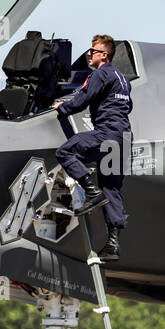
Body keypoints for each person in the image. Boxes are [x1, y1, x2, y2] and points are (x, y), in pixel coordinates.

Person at [51, 35, 132, 262]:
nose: (88, 54)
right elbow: (128, 106)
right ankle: (113, 245)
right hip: (124, 138)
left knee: (65, 152)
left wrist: (62, 108)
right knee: (112, 189)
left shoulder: (101, 74)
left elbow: (82, 100)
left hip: (107, 133)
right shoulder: (123, 80)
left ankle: (90, 191)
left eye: (92, 50)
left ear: (104, 54)